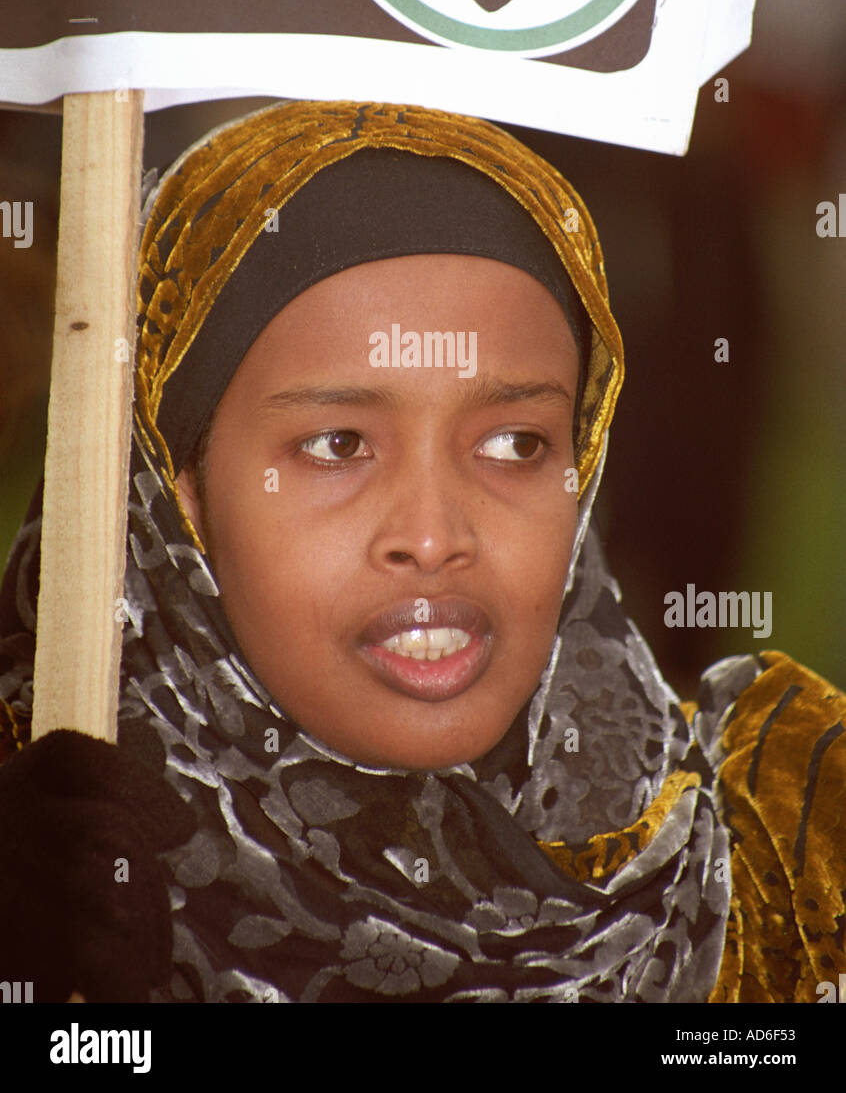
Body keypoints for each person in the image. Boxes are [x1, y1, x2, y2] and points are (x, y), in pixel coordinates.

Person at [0, 98, 844, 1004]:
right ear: (180, 497)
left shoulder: (785, 852)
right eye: (337, 446)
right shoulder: (41, 856)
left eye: (515, 444)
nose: (436, 538)